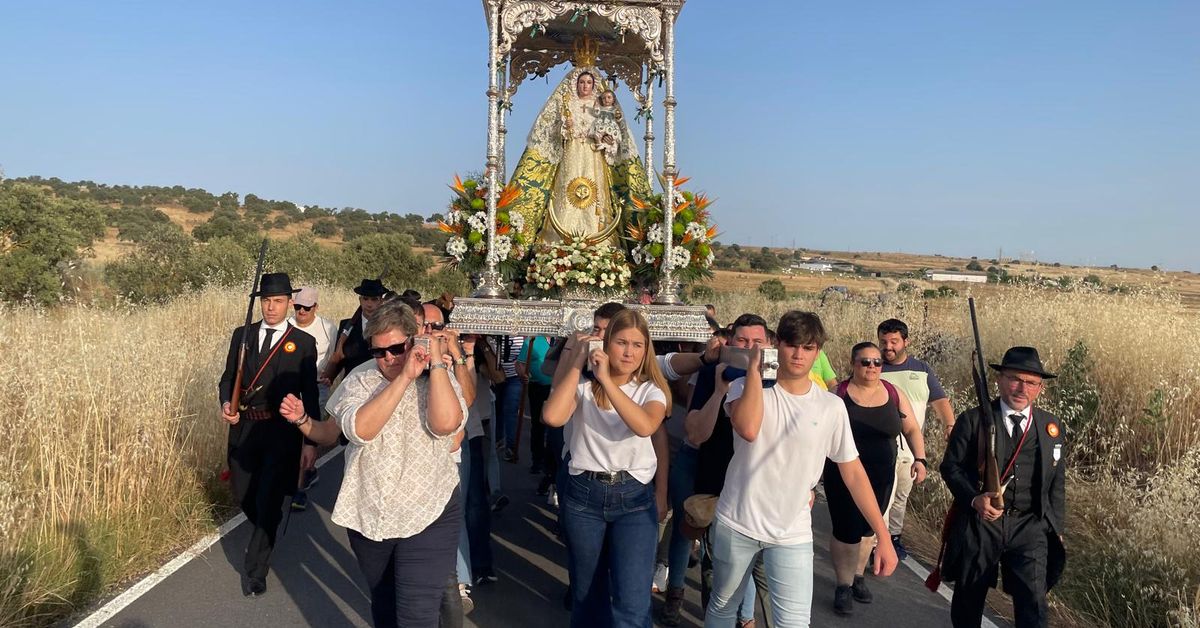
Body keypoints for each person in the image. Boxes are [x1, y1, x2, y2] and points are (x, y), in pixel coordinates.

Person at [705, 311, 898, 627]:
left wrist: (883, 534)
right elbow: (749, 428)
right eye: (791, 345)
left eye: (808, 348)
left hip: (792, 532)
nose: (798, 355)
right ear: (777, 344)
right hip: (737, 523)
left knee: (794, 622)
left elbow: (852, 471)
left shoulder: (830, 406)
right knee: (724, 608)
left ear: (818, 352)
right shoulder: (745, 387)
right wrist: (755, 369)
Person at [287, 299, 466, 627]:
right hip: (372, 513)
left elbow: (447, 427)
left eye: (397, 349)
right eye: (378, 352)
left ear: (413, 341)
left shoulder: (439, 377)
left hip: (430, 511)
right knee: (385, 608)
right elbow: (356, 430)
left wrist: (437, 363)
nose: (388, 359)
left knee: (417, 614)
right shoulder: (360, 379)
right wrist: (403, 379)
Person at [543, 309, 672, 627]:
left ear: (646, 350)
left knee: (631, 600)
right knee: (588, 597)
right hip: (584, 496)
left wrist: (606, 381)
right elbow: (553, 417)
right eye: (621, 342)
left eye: (638, 345)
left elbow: (644, 426)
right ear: (606, 343)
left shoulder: (650, 390)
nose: (629, 352)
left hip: (634, 498)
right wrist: (577, 360)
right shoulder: (584, 386)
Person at [939, 347, 1066, 628]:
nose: (1022, 388)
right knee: (969, 599)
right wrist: (974, 500)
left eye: (1031, 382)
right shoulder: (973, 420)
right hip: (981, 524)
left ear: (1040, 388)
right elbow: (950, 468)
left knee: (1034, 603)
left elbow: (1057, 483)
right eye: (1014, 379)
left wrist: (1056, 529)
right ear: (999, 380)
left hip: (1030, 526)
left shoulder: (1051, 427)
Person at [217, 272, 319, 597]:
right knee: (244, 492)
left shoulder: (303, 343)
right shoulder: (241, 335)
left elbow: (310, 396)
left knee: (269, 496)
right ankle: (267, 518)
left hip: (280, 432)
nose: (270, 307)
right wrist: (225, 403)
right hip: (244, 429)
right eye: (265, 301)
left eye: (277, 301)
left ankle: (256, 569)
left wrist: (310, 440)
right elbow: (228, 377)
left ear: (290, 302)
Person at [675, 314, 772, 628]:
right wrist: (719, 391)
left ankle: (746, 618)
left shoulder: (781, 376)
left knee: (763, 575)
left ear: (770, 345)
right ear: (730, 343)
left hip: (763, 493)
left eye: (757, 342)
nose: (749, 348)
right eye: (742, 341)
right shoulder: (711, 374)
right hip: (717, 488)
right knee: (717, 575)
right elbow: (695, 434)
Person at [826, 342, 926, 615]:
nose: (871, 367)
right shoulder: (838, 394)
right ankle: (843, 585)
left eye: (877, 362)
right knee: (845, 529)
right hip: (842, 474)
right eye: (865, 362)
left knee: (870, 528)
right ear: (853, 364)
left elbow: (912, 429)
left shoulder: (894, 393)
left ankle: (858, 576)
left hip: (882, 474)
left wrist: (920, 458)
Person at [508, 65, 651, 246]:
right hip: (571, 153)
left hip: (594, 155)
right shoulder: (568, 103)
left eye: (589, 82)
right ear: (576, 84)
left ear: (594, 85)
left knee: (596, 192)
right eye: (582, 82)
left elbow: (614, 130)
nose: (585, 86)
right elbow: (554, 133)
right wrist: (565, 127)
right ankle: (558, 240)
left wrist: (607, 139)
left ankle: (601, 242)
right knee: (566, 188)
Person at [876, 318, 955, 560]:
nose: (888, 347)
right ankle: (879, 543)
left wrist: (949, 424)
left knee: (901, 496)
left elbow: (939, 399)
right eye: (883, 341)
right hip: (881, 448)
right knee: (883, 498)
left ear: (905, 342)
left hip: (912, 448)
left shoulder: (922, 369)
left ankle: (894, 538)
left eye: (893, 342)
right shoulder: (874, 367)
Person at [286, 286, 338, 512]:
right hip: (289, 388)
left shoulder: (327, 328)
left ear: (315, 307)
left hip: (316, 388)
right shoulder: (286, 327)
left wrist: (329, 377)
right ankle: (306, 472)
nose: (301, 311)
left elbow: (334, 357)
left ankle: (300, 489)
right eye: (298, 306)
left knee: (306, 436)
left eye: (307, 307)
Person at [323, 278, 390, 382]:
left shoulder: (388, 326)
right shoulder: (346, 326)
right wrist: (329, 378)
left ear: (381, 301)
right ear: (360, 300)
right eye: (366, 299)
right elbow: (340, 358)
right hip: (349, 384)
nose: (369, 304)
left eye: (374, 299)